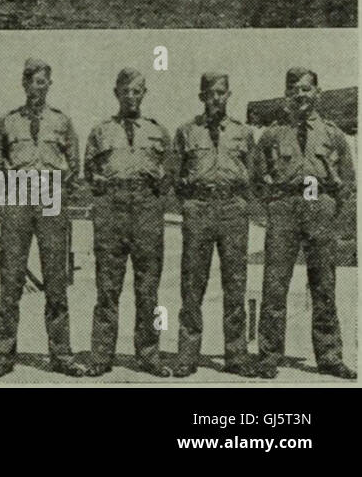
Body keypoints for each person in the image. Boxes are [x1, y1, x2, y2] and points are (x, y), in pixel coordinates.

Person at [253, 67, 357, 380]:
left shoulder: (333, 133)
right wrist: (272, 207)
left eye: (307, 88)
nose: (301, 94)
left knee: (324, 285)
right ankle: (269, 356)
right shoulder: (272, 134)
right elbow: (256, 178)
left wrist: (329, 208)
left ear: (317, 93)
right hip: (284, 208)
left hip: (319, 207)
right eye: (294, 89)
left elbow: (349, 182)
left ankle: (329, 357)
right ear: (287, 94)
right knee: (274, 285)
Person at [0, 58, 85, 378]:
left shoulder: (62, 121)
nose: (36, 88)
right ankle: (3, 354)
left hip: (50, 200)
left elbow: (74, 164)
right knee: (11, 280)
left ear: (48, 85)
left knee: (56, 281)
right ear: (24, 84)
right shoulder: (8, 121)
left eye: (42, 82)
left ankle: (61, 354)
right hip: (17, 200)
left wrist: (55, 192)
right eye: (31, 82)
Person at [84, 69, 172, 377]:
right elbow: (89, 173)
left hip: (147, 209)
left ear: (144, 93)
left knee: (148, 288)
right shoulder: (100, 131)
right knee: (107, 287)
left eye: (137, 91)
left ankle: (149, 355)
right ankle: (101, 356)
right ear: (116, 93)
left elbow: (168, 177)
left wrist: (151, 198)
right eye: (126, 91)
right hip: (112, 208)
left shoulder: (158, 131)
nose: (131, 96)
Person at [173, 73, 255, 377]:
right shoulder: (186, 131)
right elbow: (174, 174)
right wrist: (191, 203)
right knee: (192, 285)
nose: (216, 98)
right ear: (202, 96)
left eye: (221, 93)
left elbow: (254, 175)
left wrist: (241, 203)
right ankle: (186, 356)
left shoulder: (243, 133)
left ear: (228, 95)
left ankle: (236, 356)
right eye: (210, 93)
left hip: (233, 209)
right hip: (199, 209)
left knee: (235, 284)